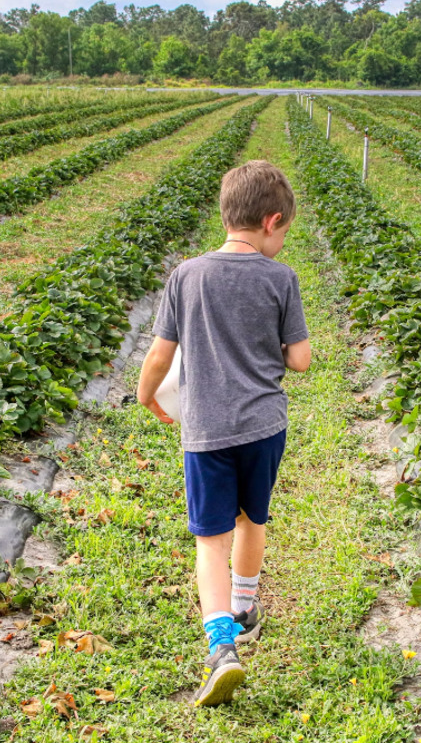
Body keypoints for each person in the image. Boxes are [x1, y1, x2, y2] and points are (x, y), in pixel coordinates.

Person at [136, 160, 311, 708]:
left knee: (209, 539)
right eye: (283, 233)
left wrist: (146, 397)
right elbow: (300, 360)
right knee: (251, 520)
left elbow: (160, 354)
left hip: (206, 429)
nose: (281, 243)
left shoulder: (186, 275)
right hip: (264, 427)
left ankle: (221, 647)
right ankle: (245, 608)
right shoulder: (281, 278)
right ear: (272, 219)